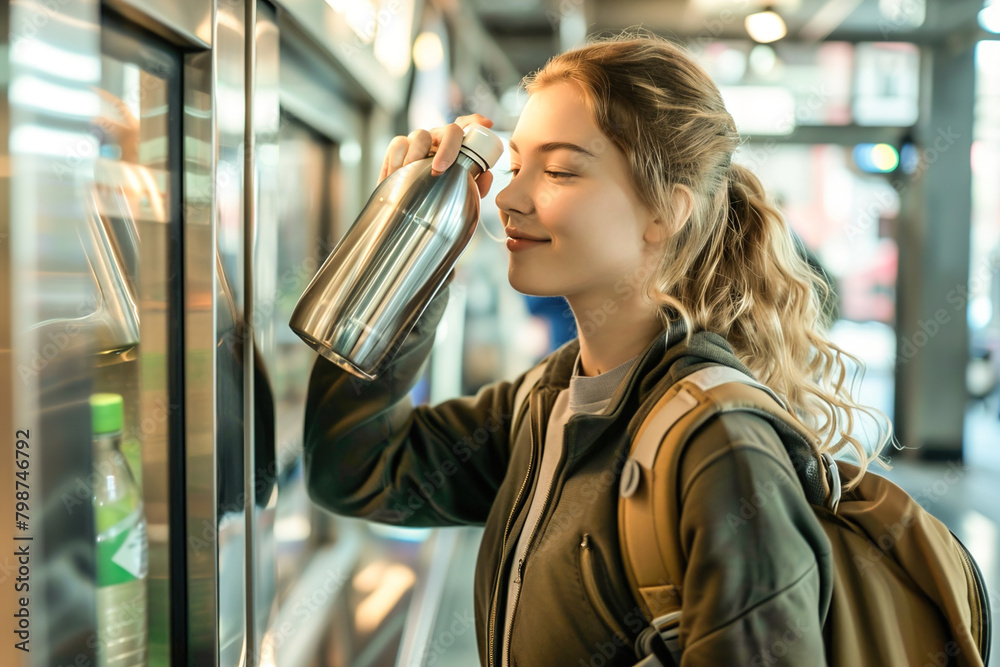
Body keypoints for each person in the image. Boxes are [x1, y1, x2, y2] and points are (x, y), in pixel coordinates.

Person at [303, 32, 889, 666]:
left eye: (558, 171)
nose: (508, 198)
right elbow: (356, 470)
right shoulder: (548, 403)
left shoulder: (723, 450)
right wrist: (404, 241)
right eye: (517, 165)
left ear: (664, 211)